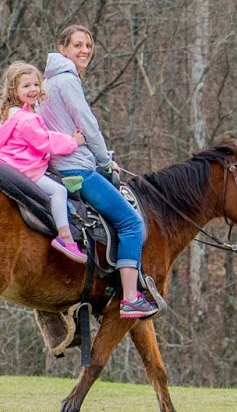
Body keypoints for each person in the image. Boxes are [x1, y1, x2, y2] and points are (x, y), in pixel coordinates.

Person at [40, 24, 157, 318]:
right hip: (79, 171)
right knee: (132, 223)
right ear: (63, 48)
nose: (85, 51)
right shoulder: (67, 81)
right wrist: (105, 161)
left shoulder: (47, 83)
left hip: (57, 169)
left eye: (89, 46)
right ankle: (130, 297)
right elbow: (88, 125)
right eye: (78, 45)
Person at [0, 61, 87, 264]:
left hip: (5, 162)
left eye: (36, 84)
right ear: (14, 90)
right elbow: (45, 142)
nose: (33, 90)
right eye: (26, 86)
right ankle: (65, 237)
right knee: (59, 191)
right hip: (26, 168)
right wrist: (73, 141)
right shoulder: (27, 119)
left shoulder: (6, 115)